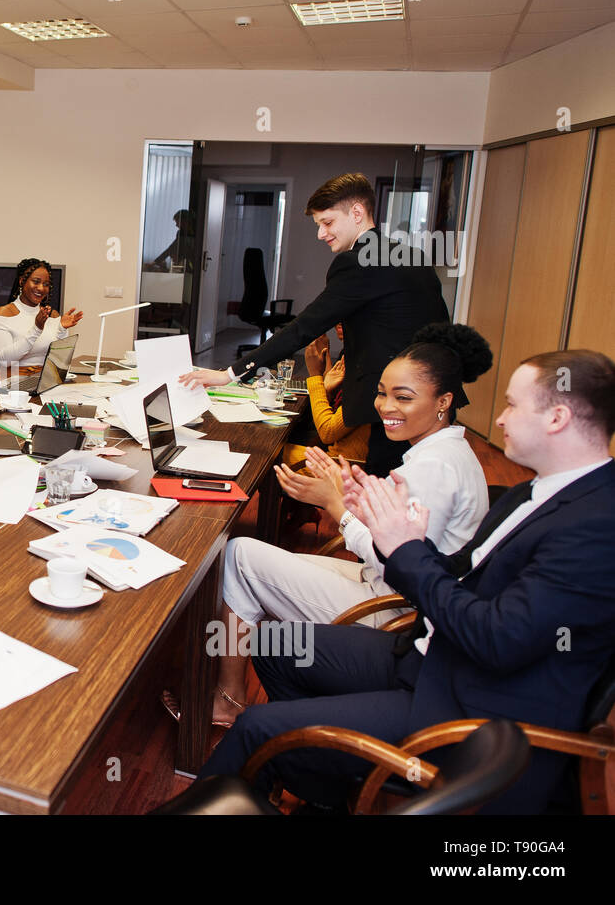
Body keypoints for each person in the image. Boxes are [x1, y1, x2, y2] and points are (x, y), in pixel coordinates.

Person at [199, 349, 615, 814]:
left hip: (464, 708)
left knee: (256, 728)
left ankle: (303, 757)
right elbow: (461, 573)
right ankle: (325, 783)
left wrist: (404, 548)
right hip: (430, 654)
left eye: (514, 406)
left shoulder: (594, 528)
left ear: (557, 418)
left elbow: (498, 640)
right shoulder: (538, 491)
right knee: (273, 644)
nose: (500, 419)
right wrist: (392, 530)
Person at [208, 323, 493, 726]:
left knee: (239, 556)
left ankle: (233, 700)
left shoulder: (433, 467)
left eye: (403, 397)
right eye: (382, 393)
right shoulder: (446, 451)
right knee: (247, 563)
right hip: (388, 590)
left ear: (443, 401)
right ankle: (252, 693)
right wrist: (350, 493)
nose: (386, 407)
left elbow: (400, 564)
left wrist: (336, 506)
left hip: (393, 610)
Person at [179, 173, 449, 476]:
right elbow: (440, 327)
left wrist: (229, 374)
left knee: (383, 490)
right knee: (420, 481)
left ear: (357, 213)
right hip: (433, 397)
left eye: (328, 223)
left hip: (392, 404)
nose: (321, 234)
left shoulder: (356, 262)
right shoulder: (412, 255)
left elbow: (304, 327)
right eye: (319, 225)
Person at [282, 324, 369, 466]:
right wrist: (327, 390)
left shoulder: (369, 377)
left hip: (341, 466)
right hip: (333, 453)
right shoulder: (354, 357)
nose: (338, 324)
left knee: (270, 452)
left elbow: (327, 432)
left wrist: (314, 375)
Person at [0, 257, 84, 366]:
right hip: (15, 375)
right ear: (22, 281)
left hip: (46, 375)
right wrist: (37, 329)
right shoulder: (5, 313)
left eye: (46, 284)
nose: (41, 288)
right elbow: (5, 360)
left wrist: (62, 329)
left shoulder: (52, 315)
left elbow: (61, 359)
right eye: (36, 282)